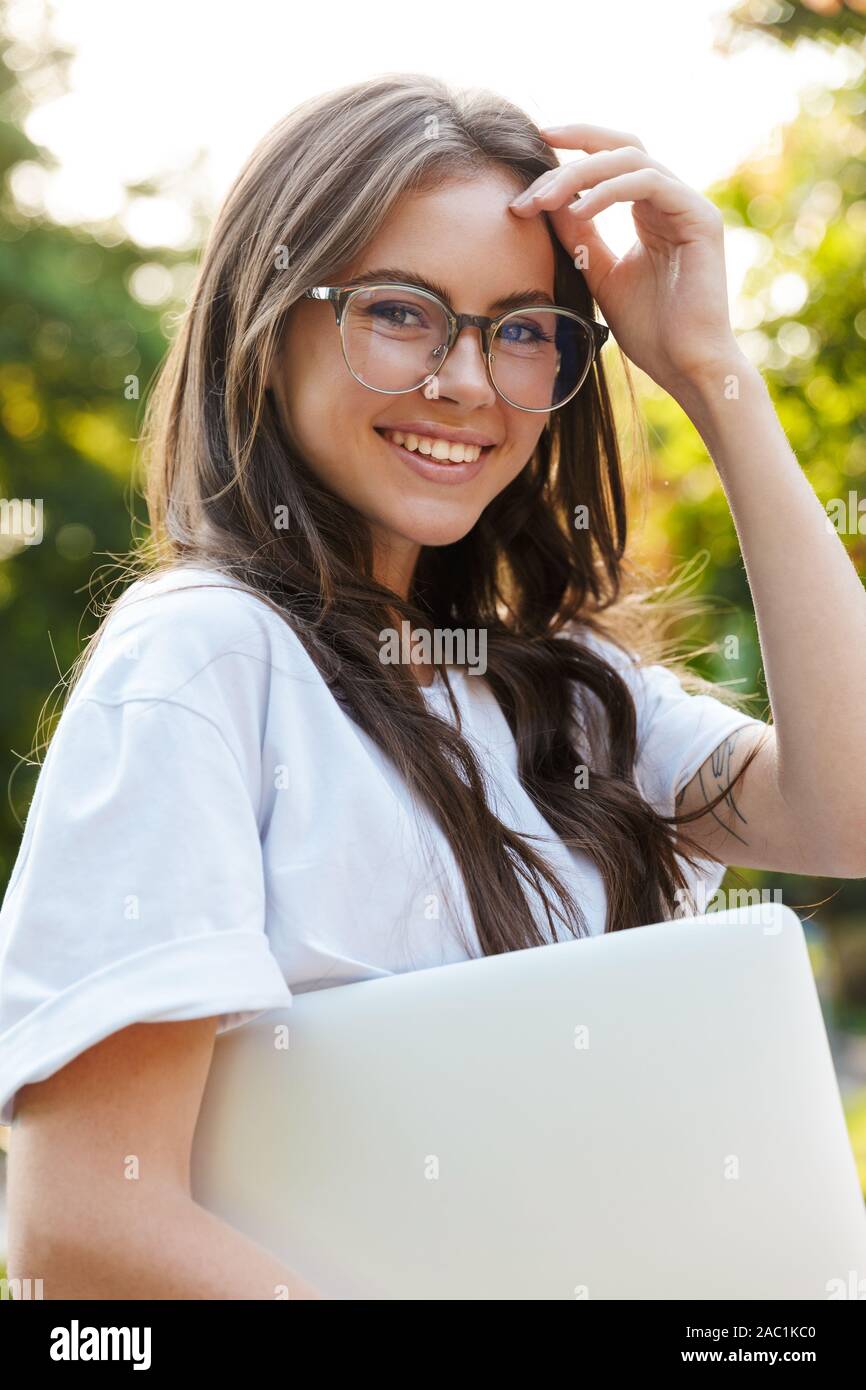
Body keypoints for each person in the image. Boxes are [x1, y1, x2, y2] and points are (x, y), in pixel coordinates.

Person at [4, 73, 865, 1301]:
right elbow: (84, 1223)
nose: (468, 381)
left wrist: (712, 371)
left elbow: (851, 806)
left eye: (522, 328)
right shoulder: (204, 656)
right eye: (402, 313)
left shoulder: (565, 699)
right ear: (268, 318)